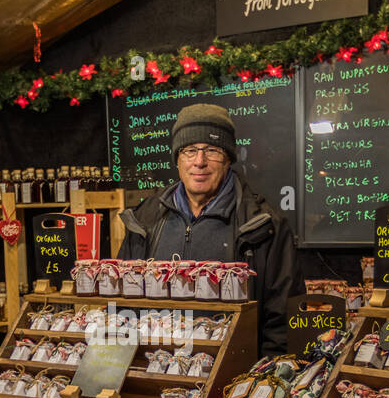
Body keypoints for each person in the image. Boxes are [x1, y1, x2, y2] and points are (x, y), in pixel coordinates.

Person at [117, 103, 303, 355]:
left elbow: (282, 323)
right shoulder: (144, 220)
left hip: (231, 377)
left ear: (228, 159)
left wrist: (257, 381)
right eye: (190, 150)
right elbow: (120, 306)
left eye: (212, 150)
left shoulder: (263, 225)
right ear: (177, 159)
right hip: (154, 372)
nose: (200, 162)